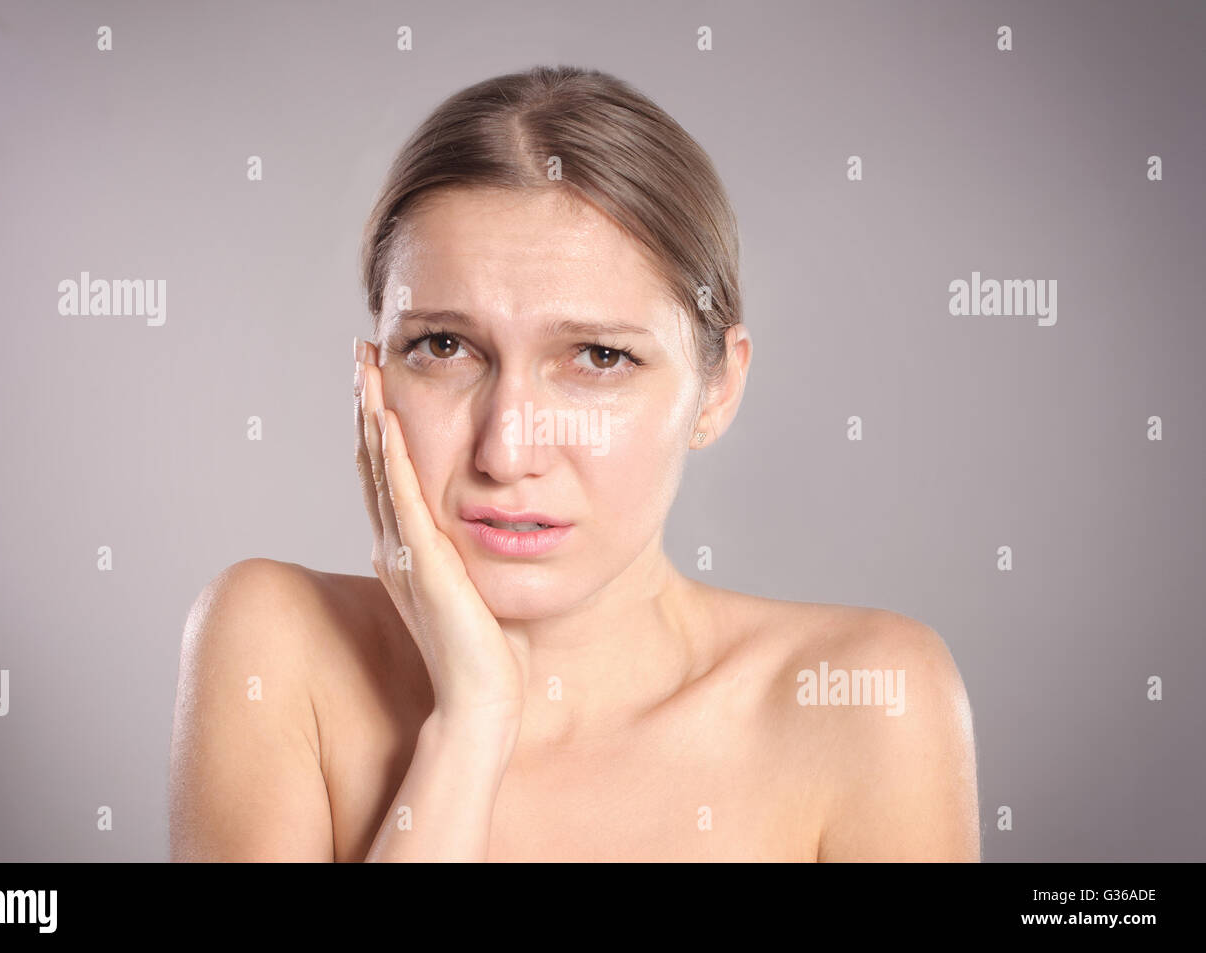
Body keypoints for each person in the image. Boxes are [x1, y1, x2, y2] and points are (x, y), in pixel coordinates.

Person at [168, 65, 979, 862]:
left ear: (717, 388)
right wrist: (470, 725)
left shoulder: (866, 701)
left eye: (598, 356)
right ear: (373, 374)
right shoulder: (275, 645)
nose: (506, 450)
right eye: (443, 347)